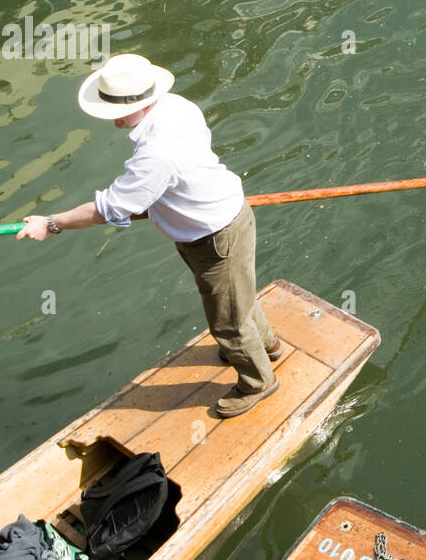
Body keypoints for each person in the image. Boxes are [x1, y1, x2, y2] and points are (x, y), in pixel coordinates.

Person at [17, 53, 284, 417]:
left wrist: (50, 223)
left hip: (215, 237)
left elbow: (109, 208)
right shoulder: (176, 106)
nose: (111, 119)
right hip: (219, 222)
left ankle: (258, 380)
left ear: (138, 104)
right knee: (236, 297)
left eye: (113, 111)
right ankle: (266, 345)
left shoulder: (158, 153)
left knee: (227, 322)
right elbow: (162, 181)